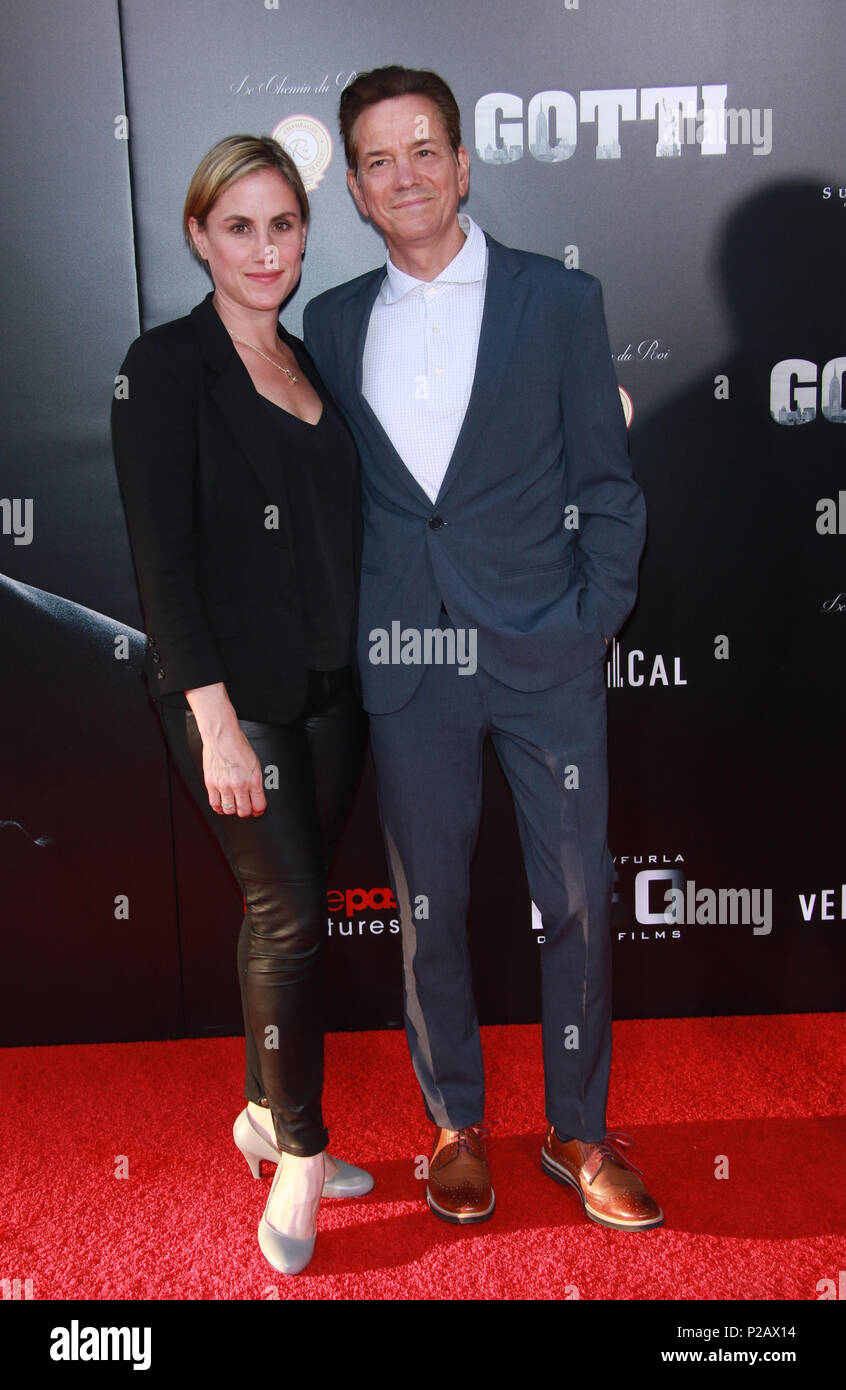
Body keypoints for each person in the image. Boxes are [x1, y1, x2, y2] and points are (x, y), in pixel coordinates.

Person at [304, 67, 662, 1231]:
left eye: (422, 151)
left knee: (576, 901)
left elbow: (609, 491)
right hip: (409, 665)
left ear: (462, 165)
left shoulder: (558, 302)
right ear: (355, 188)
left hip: (543, 655)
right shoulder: (335, 320)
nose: (402, 175)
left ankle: (578, 1128)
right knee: (430, 911)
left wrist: (587, 621)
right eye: (376, 159)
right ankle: (455, 1121)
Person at [112, 135, 373, 1276]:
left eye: (283, 225)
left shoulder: (312, 363)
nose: (265, 248)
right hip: (230, 700)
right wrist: (212, 720)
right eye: (239, 226)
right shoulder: (167, 366)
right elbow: (161, 562)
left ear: (306, 235)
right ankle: (303, 1151)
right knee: (295, 920)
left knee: (278, 912)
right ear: (196, 236)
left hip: (330, 694)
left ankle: (265, 1110)